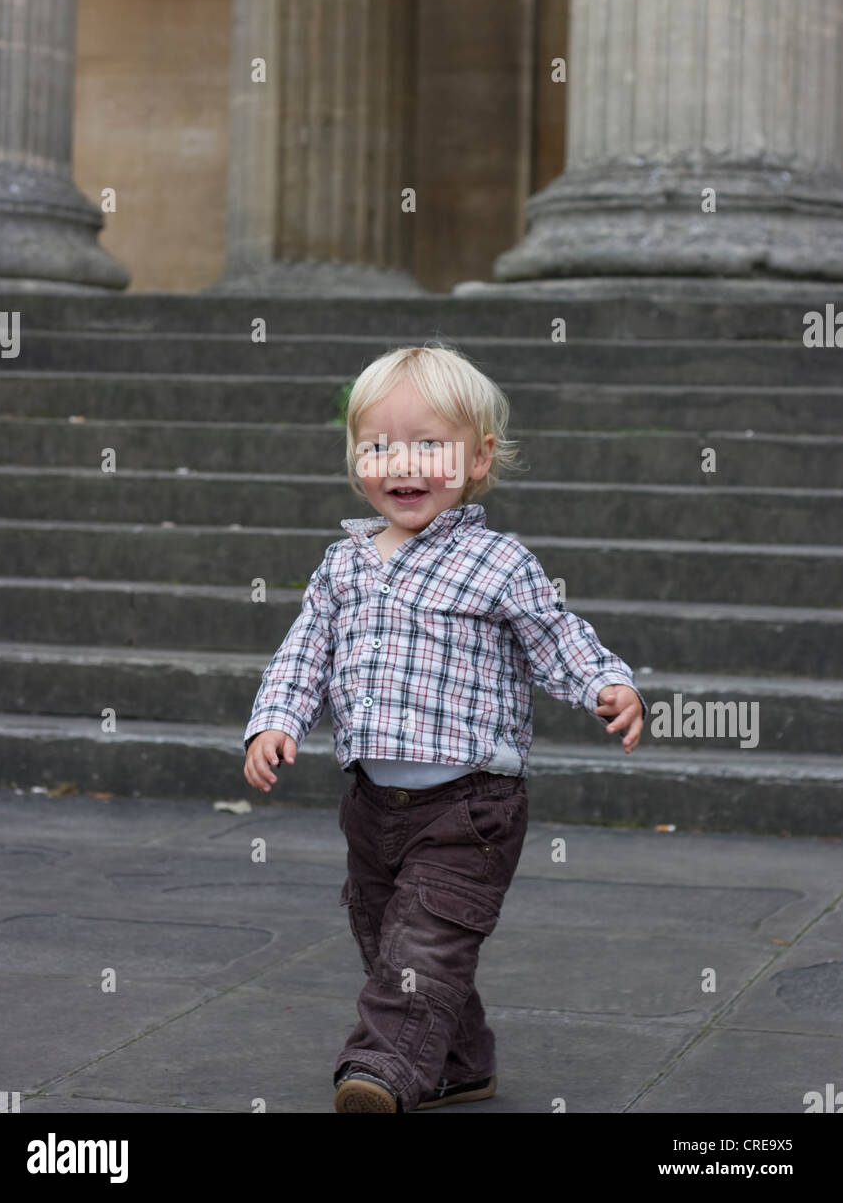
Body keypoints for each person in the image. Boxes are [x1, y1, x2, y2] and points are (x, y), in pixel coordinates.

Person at [243, 341, 646, 1113]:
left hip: (471, 805)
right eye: (379, 444)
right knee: (386, 936)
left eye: (430, 443)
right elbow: (305, 653)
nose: (403, 462)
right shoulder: (342, 565)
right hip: (371, 803)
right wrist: (276, 720)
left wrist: (606, 682)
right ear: (355, 457)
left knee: (425, 942)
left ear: (479, 457)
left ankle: (381, 1068)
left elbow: (555, 635)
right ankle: (460, 1063)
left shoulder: (497, 562)